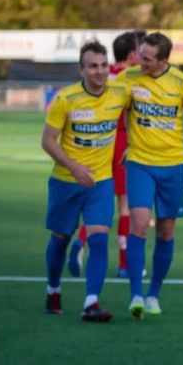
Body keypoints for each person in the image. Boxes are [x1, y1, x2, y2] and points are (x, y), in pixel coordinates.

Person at [117, 32, 183, 319]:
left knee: (166, 231)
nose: (140, 61)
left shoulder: (182, 84)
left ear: (163, 60)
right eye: (140, 54)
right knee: (138, 224)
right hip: (139, 163)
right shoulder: (128, 78)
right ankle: (135, 293)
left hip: (173, 167)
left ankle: (153, 294)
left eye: (147, 58)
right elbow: (106, 108)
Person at [41, 40, 130, 322]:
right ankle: (53, 288)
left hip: (100, 182)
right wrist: (73, 165)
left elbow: (141, 106)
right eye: (93, 66)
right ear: (81, 69)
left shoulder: (119, 93)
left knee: (99, 239)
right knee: (60, 240)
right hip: (66, 181)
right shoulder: (66, 99)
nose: (100, 71)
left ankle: (91, 302)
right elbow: (47, 140)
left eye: (104, 65)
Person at [67, 31, 146, 279]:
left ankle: (81, 240)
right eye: (141, 49)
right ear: (133, 54)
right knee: (124, 204)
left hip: (99, 141)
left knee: (97, 198)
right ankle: (124, 264)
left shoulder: (104, 72)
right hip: (122, 139)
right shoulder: (131, 79)